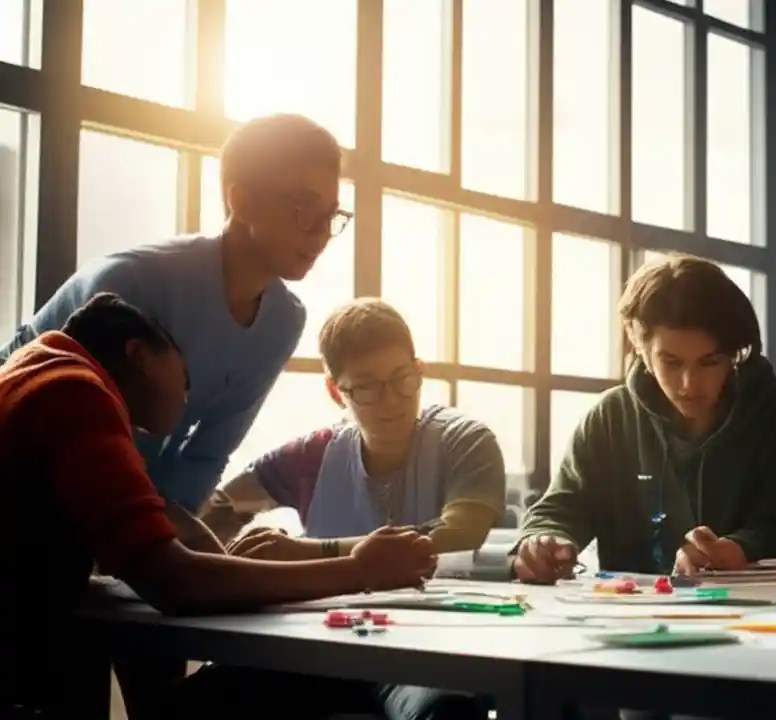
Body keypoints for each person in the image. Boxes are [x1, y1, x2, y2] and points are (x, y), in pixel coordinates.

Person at [0, 293, 437, 719]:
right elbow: (175, 582)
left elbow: (155, 519)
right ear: (139, 354)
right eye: (186, 376)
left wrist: (205, 548)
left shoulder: (32, 374)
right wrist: (359, 570)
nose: (189, 397)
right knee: (333, 669)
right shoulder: (75, 392)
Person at [0, 113, 348, 525]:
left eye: (331, 215)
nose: (322, 232)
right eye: (302, 207)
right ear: (242, 200)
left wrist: (169, 526)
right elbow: (58, 428)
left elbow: (209, 453)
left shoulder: (283, 321)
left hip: (118, 502)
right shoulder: (131, 283)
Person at [515, 254, 776, 582]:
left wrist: (738, 549)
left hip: (755, 608)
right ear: (640, 347)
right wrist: (544, 542)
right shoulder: (610, 419)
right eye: (671, 362)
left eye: (709, 362)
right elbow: (561, 507)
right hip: (631, 615)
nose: (689, 384)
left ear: (735, 352)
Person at [200, 298, 506, 556]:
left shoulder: (466, 442)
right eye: (367, 387)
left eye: (402, 379)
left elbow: (458, 538)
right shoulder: (312, 456)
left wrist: (309, 553)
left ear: (419, 371)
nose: (390, 400)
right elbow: (219, 507)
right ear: (336, 392)